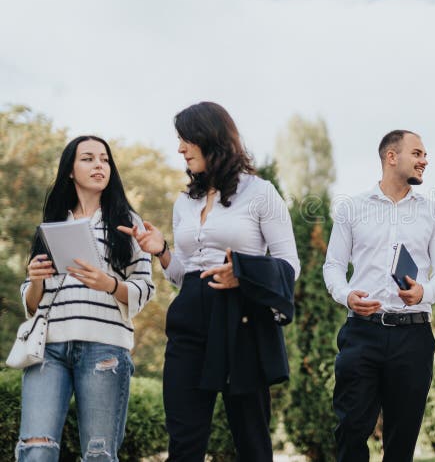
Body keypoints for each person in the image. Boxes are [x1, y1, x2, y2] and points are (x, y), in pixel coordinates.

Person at [120, 102, 300, 461]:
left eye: (186, 139)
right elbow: (184, 273)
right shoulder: (185, 201)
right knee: (184, 440)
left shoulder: (260, 192)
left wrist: (242, 275)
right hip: (189, 322)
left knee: (251, 439)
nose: (180, 149)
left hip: (242, 323)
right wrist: (162, 251)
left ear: (211, 138)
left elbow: (289, 263)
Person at [17, 136, 155, 461]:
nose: (99, 166)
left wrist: (109, 284)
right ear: (70, 170)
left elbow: (145, 287)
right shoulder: (52, 224)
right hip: (48, 349)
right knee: (36, 450)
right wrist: (35, 280)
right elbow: (32, 301)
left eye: (104, 160)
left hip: (104, 349)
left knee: (99, 455)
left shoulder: (129, 223)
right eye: (88, 159)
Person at [323, 130, 435, 462]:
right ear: (391, 157)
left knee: (402, 440)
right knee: (351, 429)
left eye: (425, 155)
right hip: (361, 332)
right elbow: (334, 266)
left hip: (414, 336)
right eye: (417, 153)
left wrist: (424, 291)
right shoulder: (352, 209)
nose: (425, 160)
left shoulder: (434, 214)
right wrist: (347, 295)